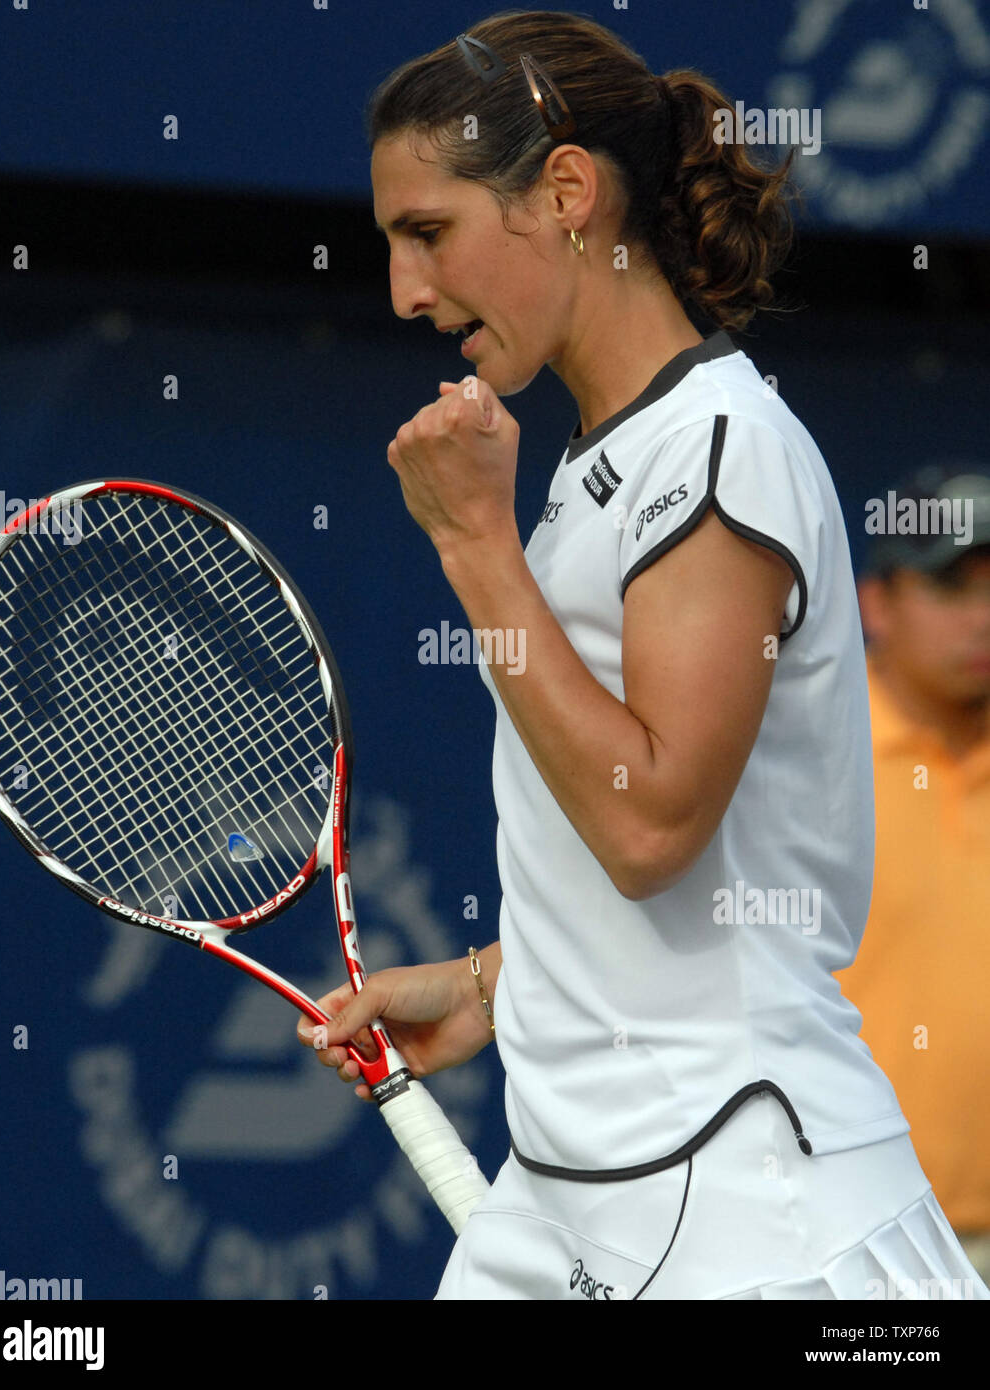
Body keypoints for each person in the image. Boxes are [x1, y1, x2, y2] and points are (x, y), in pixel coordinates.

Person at [298, 10, 989, 1300]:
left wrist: (473, 553)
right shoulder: (604, 462)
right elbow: (686, 884)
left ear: (564, 193)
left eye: (428, 232)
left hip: (751, 1213)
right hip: (579, 1195)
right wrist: (492, 983)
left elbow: (654, 822)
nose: (402, 290)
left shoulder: (716, 449)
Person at [838, 466, 990, 1284]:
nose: (983, 618)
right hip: (856, 1241)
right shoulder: (804, 761)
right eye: (950, 586)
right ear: (876, 603)